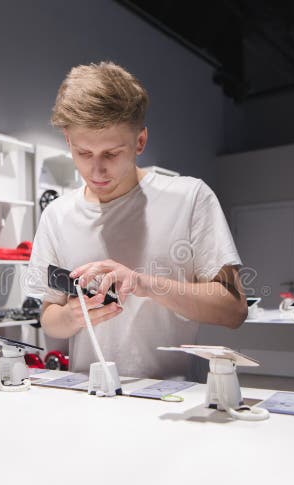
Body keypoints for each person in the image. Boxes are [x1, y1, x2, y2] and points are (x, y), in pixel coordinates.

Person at [27, 61, 247, 379]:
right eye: (84, 153)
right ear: (68, 141)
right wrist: (74, 315)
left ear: (140, 142)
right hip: (87, 400)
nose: (96, 171)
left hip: (171, 403)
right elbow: (49, 316)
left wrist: (144, 283)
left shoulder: (189, 198)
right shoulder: (56, 216)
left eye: (112, 154)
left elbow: (234, 309)